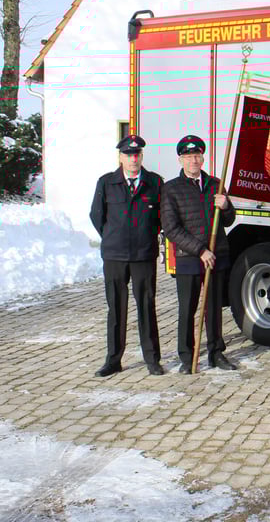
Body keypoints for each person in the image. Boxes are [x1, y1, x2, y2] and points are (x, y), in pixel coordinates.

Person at [161, 135, 239, 374]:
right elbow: (171, 228)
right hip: (189, 259)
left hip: (217, 256)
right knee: (188, 309)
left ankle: (216, 353)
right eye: (188, 156)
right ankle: (187, 356)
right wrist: (200, 250)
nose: (194, 160)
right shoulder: (171, 189)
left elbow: (228, 220)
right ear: (180, 159)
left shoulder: (216, 184)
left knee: (214, 308)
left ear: (203, 157)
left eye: (197, 156)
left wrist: (226, 206)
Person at [89, 135, 165, 377]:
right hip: (115, 256)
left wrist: (146, 236)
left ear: (141, 157)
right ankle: (113, 360)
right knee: (116, 309)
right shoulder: (106, 182)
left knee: (147, 306)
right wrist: (114, 237)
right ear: (120, 157)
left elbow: (161, 218)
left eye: (137, 155)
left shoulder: (154, 182)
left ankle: (152, 359)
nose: (133, 159)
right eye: (128, 155)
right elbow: (96, 215)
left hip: (143, 255)